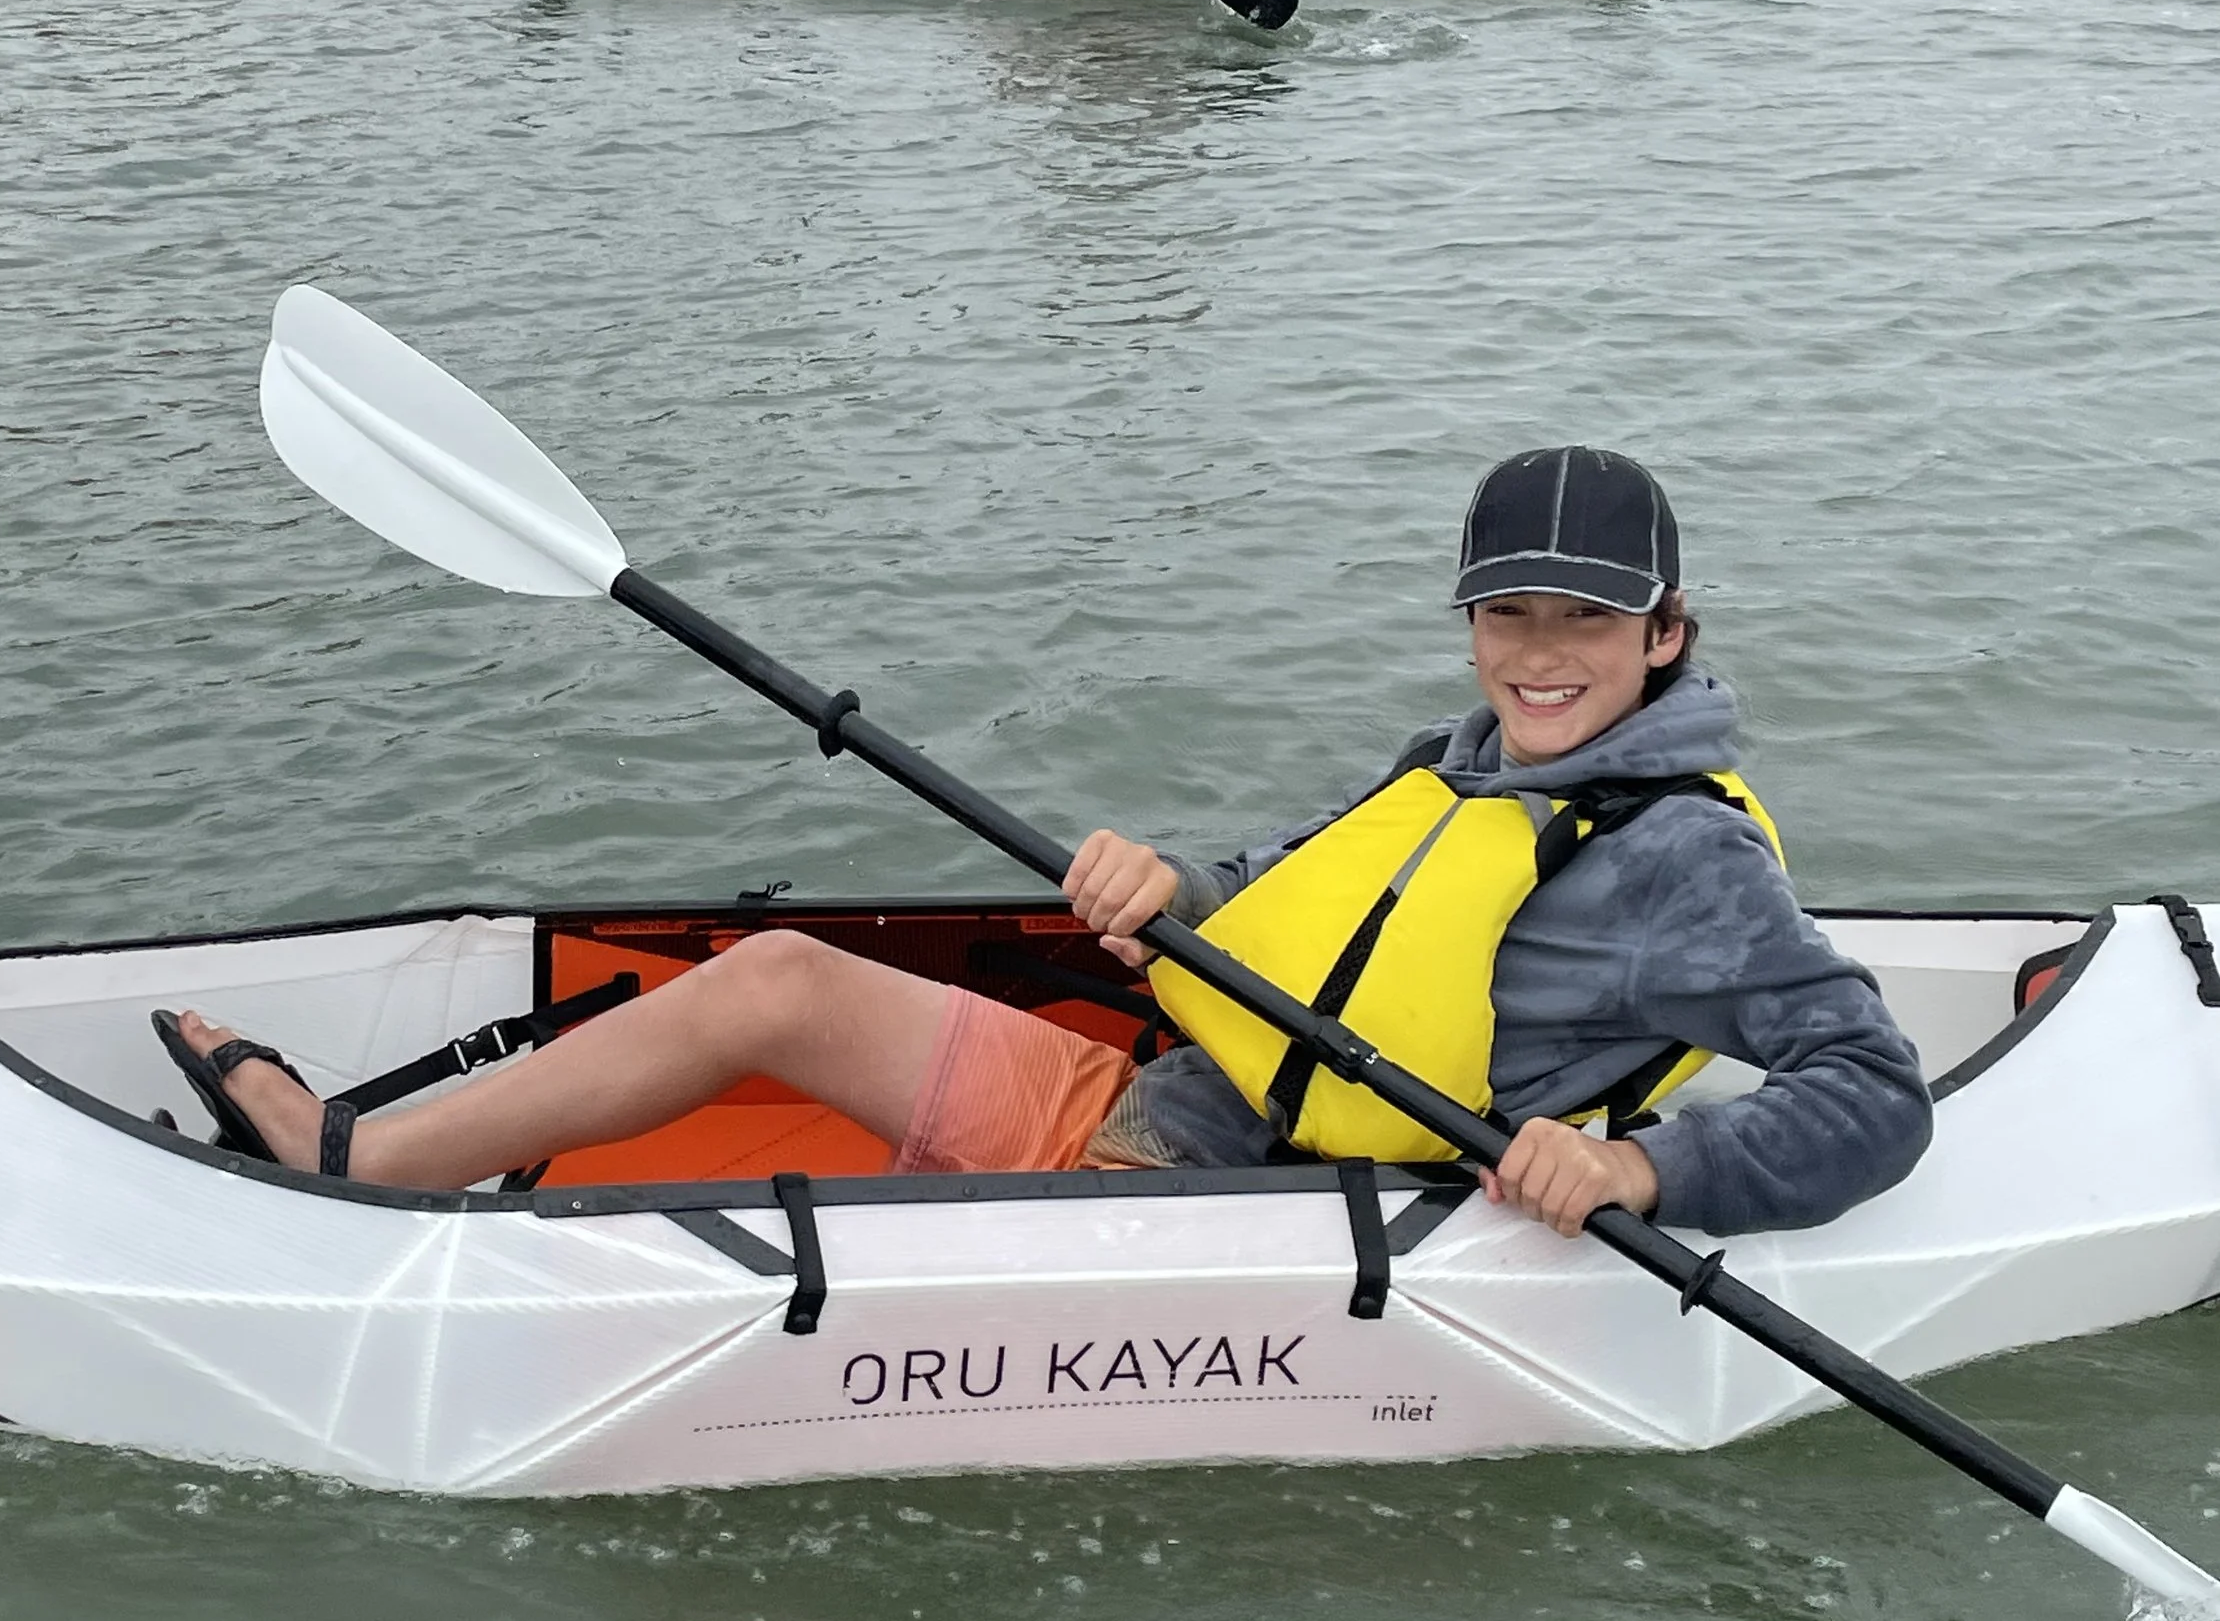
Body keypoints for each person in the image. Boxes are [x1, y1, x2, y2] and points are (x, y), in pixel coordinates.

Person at [162, 448, 1931, 1241]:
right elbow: (1292, 898)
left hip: (1218, 1219)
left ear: (1667, 635)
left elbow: (1873, 1087)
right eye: (1509, 613)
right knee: (773, 974)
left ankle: (372, 1209)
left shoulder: (1687, 857)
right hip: (1142, 1114)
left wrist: (1641, 1173)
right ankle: (364, 1166)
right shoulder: (1465, 762)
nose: (1542, 654)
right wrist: (1173, 889)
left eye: (1586, 624)